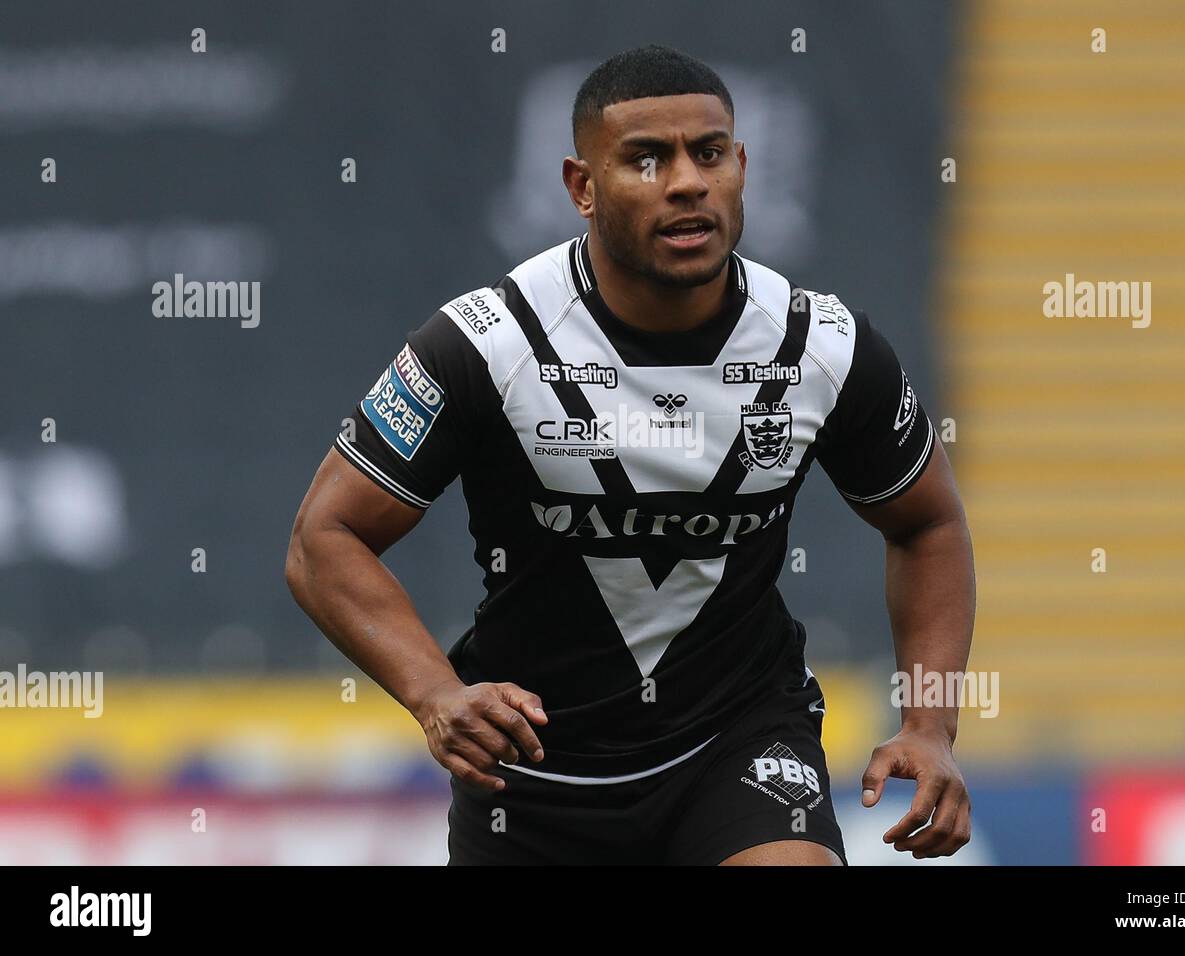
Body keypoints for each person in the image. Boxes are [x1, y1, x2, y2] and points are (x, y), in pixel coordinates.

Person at [286, 44, 976, 865]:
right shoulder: (487, 342)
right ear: (582, 187)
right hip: (536, 774)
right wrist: (436, 693)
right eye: (646, 159)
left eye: (708, 154)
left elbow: (928, 522)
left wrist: (930, 725)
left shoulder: (821, 347)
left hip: (738, 742)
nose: (686, 182)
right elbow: (322, 539)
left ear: (742, 167)